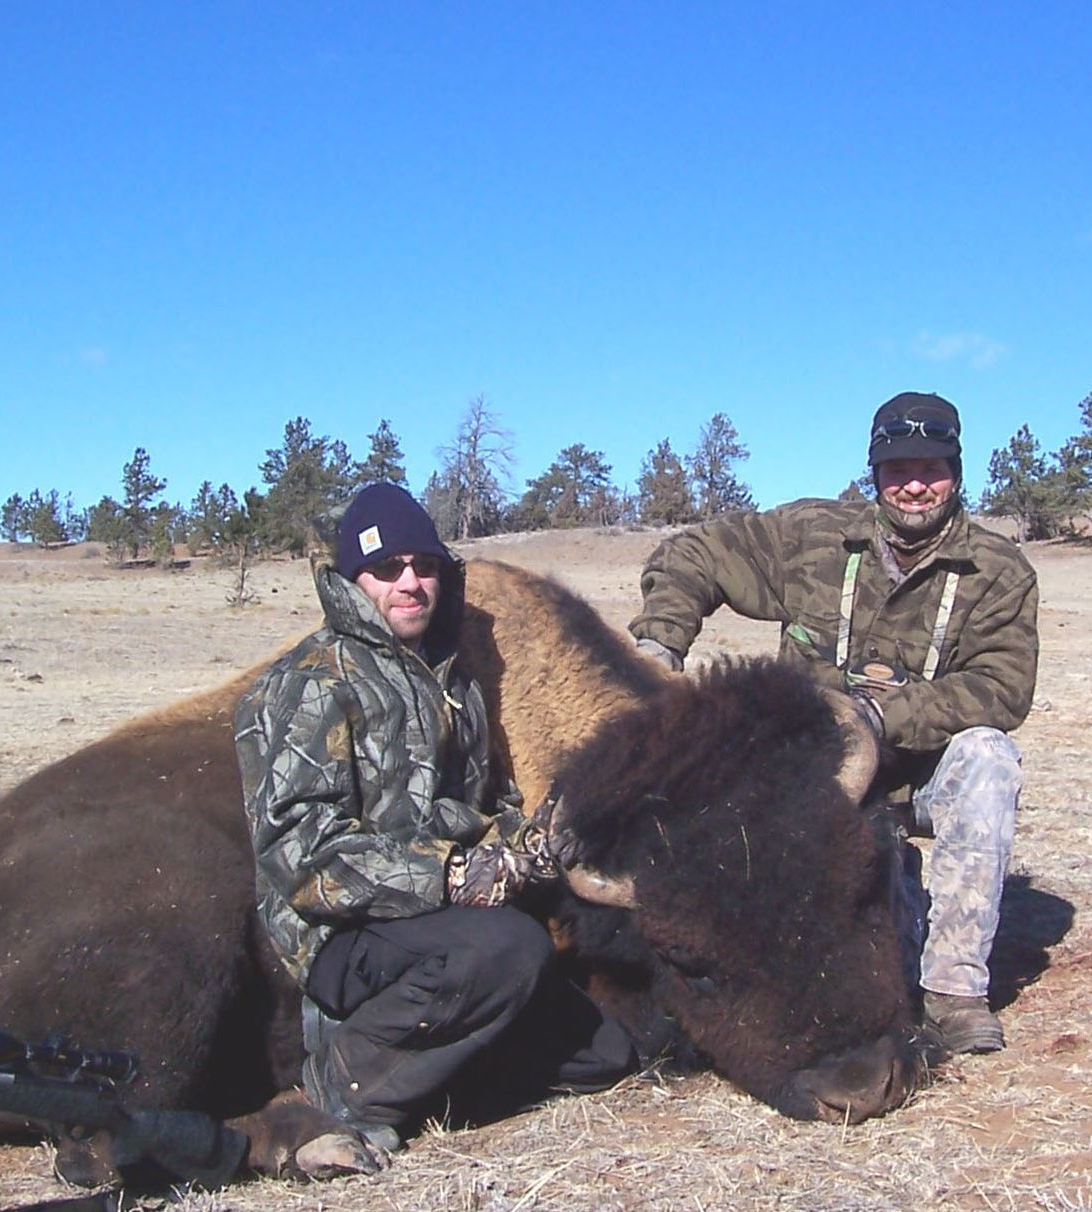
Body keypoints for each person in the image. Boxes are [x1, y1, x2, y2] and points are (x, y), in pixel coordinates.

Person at [628, 392, 1037, 1054]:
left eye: (930, 467)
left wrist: (879, 717)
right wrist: (657, 650)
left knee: (988, 759)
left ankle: (954, 992)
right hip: (814, 779)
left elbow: (1001, 687)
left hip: (922, 774)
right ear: (873, 471)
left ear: (956, 471)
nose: (913, 484)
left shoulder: (997, 571)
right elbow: (691, 554)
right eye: (896, 467)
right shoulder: (810, 536)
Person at [234, 483, 633, 1152]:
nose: (410, 584)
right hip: (337, 936)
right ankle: (340, 1086)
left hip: (432, 928)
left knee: (605, 1051)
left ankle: (417, 1078)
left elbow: (481, 811)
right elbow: (303, 856)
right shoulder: (307, 684)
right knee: (512, 950)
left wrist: (531, 842)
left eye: (423, 566)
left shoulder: (450, 684)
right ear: (351, 582)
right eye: (387, 570)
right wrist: (451, 874)